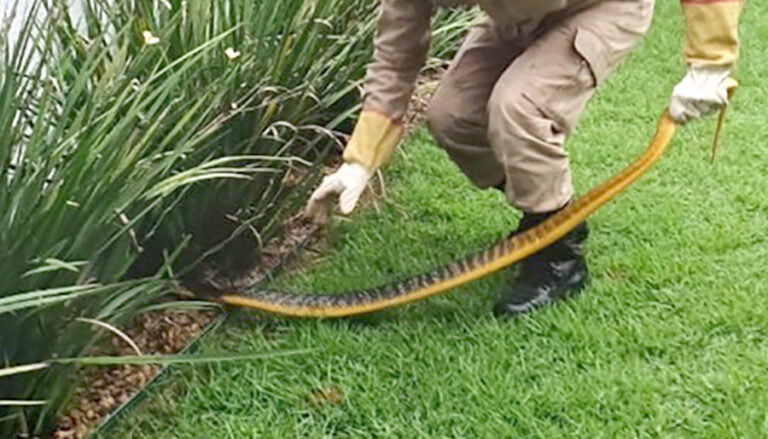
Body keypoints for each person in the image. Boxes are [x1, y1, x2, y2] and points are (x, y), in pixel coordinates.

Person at [306, 0, 742, 316]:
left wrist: (710, 63)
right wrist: (359, 163)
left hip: (602, 9)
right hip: (518, 15)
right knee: (452, 117)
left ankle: (559, 258)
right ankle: (552, 214)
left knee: (519, 107)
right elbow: (395, 58)